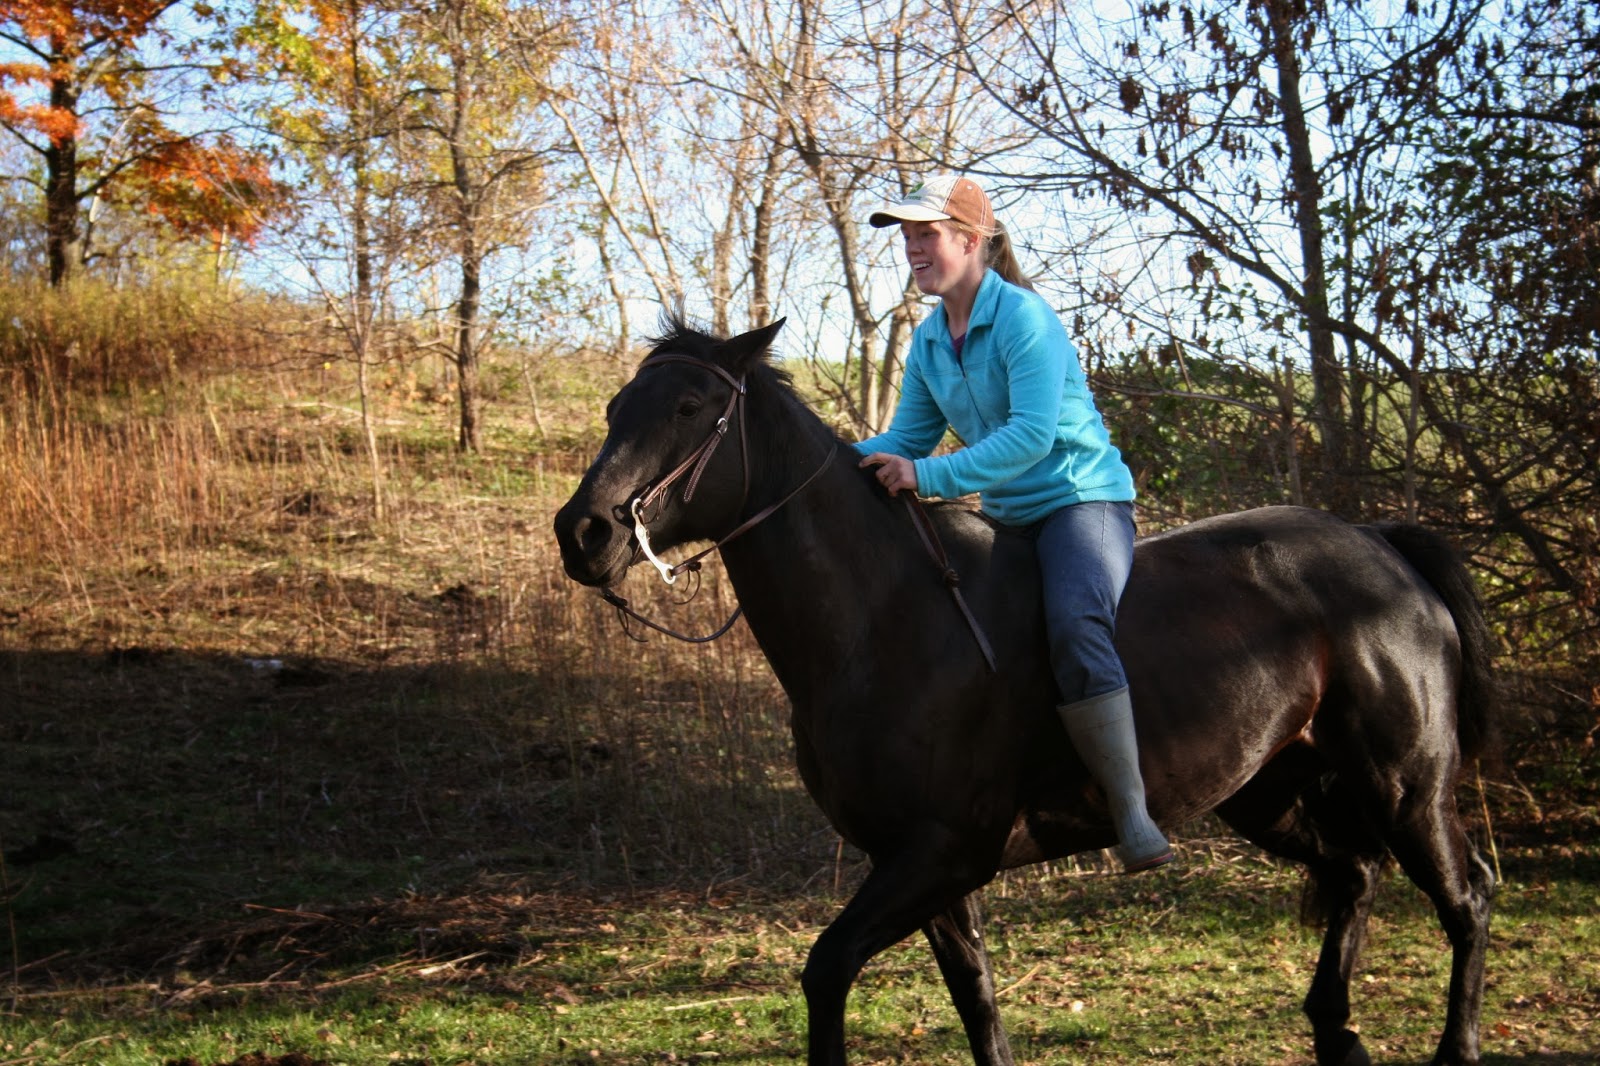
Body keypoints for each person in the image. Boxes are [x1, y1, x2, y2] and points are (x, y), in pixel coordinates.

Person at [855, 173, 1173, 873]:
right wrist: (824, 466)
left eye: (925, 233)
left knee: (1074, 627)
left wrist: (927, 477)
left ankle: (1131, 808)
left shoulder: (1025, 318)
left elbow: (1030, 436)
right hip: (1007, 518)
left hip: (1078, 503)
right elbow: (905, 436)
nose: (912, 247)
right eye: (906, 235)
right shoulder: (933, 341)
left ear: (971, 241)